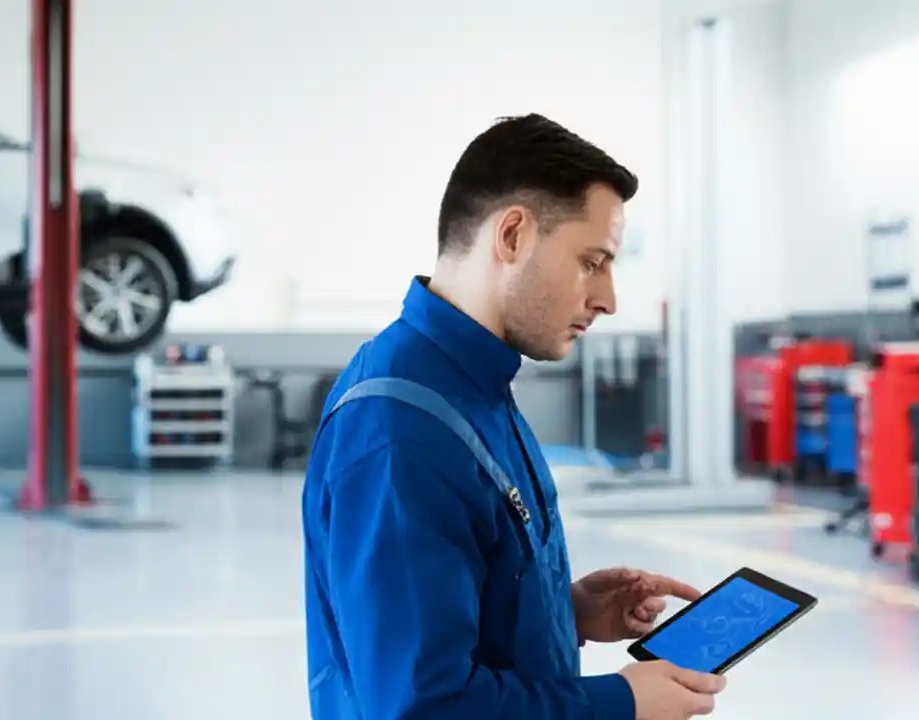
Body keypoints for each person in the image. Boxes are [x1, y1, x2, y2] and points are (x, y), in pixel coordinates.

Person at [301, 114, 729, 719]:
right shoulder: (402, 432)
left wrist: (564, 612)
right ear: (512, 237)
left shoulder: (470, 386)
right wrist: (619, 703)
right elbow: (421, 708)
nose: (608, 298)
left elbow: (456, 606)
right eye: (592, 261)